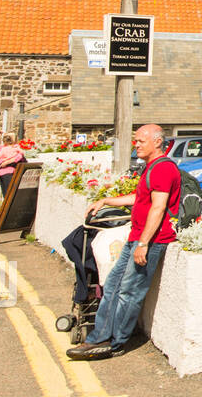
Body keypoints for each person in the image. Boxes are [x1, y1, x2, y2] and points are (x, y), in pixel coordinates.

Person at [67, 124, 180, 361]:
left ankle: (116, 342)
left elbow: (159, 207)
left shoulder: (163, 169)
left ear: (157, 142)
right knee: (112, 286)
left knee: (129, 291)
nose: (135, 144)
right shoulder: (150, 168)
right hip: (135, 237)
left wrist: (143, 244)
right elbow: (139, 200)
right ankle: (99, 338)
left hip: (149, 241)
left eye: (140, 141)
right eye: (135, 141)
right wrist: (106, 201)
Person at [0, 131, 26, 198]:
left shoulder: (15, 147)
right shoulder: (3, 147)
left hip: (11, 172)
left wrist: (7, 162)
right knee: (6, 194)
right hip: (2, 174)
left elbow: (19, 157)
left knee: (10, 194)